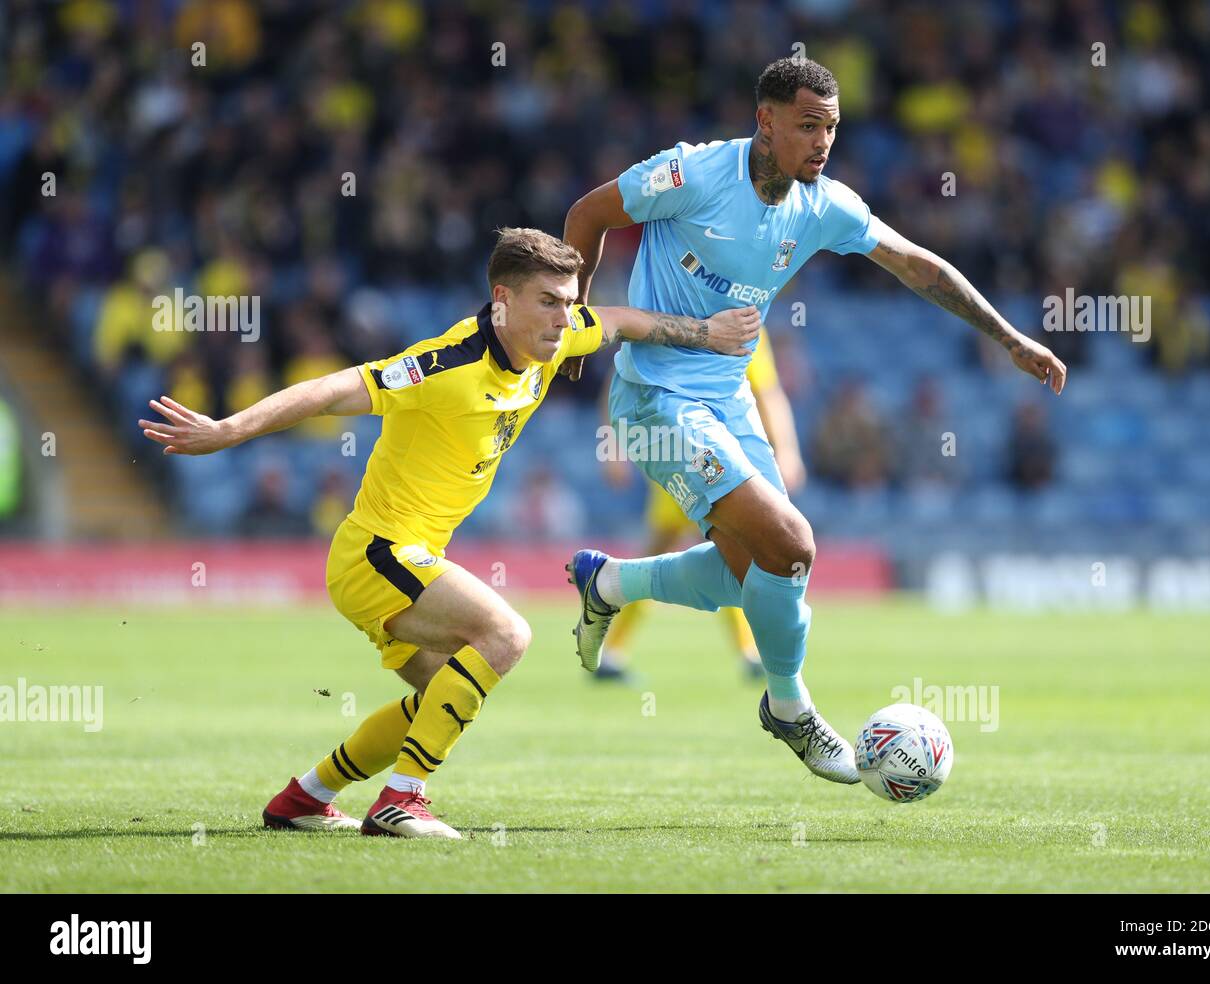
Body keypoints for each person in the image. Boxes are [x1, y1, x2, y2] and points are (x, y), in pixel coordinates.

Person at [138, 227, 761, 838]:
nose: (562, 318)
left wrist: (707, 333)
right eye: (547, 302)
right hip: (377, 553)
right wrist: (226, 430)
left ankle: (307, 796)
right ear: (502, 300)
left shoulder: (559, 338)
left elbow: (624, 321)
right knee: (507, 635)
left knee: (439, 699)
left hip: (403, 557)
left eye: (569, 302)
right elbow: (331, 391)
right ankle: (401, 802)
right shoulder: (444, 365)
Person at [561, 58, 1066, 785]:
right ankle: (789, 706)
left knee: (756, 578)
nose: (823, 141)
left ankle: (608, 584)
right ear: (764, 122)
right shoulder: (693, 174)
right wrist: (577, 325)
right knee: (793, 545)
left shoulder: (820, 204)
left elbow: (917, 264)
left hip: (727, 401)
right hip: (655, 400)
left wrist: (1009, 337)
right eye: (807, 125)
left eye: (831, 126)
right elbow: (587, 214)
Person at [598, 327, 805, 683]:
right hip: (680, 448)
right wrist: (613, 445)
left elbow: (767, 390)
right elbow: (623, 373)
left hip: (728, 457)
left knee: (727, 548)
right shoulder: (673, 312)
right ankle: (612, 646)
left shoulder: (748, 323)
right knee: (698, 548)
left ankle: (745, 650)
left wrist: (787, 449)